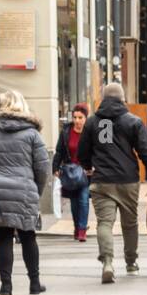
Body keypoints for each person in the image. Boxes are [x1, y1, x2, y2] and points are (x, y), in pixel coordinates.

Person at [77, 82, 147, 284]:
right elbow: (146, 151)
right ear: (123, 99)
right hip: (127, 180)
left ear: (104, 99)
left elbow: (82, 151)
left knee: (104, 223)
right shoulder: (133, 121)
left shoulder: (91, 122)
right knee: (129, 224)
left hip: (102, 180)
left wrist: (88, 166)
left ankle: (107, 262)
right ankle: (131, 263)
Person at [0, 90, 49, 295]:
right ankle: (34, 284)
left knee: (2, 238)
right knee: (28, 237)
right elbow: (43, 168)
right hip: (24, 190)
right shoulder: (32, 134)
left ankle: (6, 287)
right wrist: (35, 190)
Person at [55, 103, 90, 241]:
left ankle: (82, 230)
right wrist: (55, 168)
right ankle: (77, 227)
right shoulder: (66, 131)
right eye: (75, 117)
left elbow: (97, 150)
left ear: (86, 118)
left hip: (85, 172)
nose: (77, 120)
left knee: (83, 199)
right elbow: (59, 151)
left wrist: (94, 167)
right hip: (70, 172)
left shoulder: (90, 131)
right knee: (74, 202)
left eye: (80, 117)